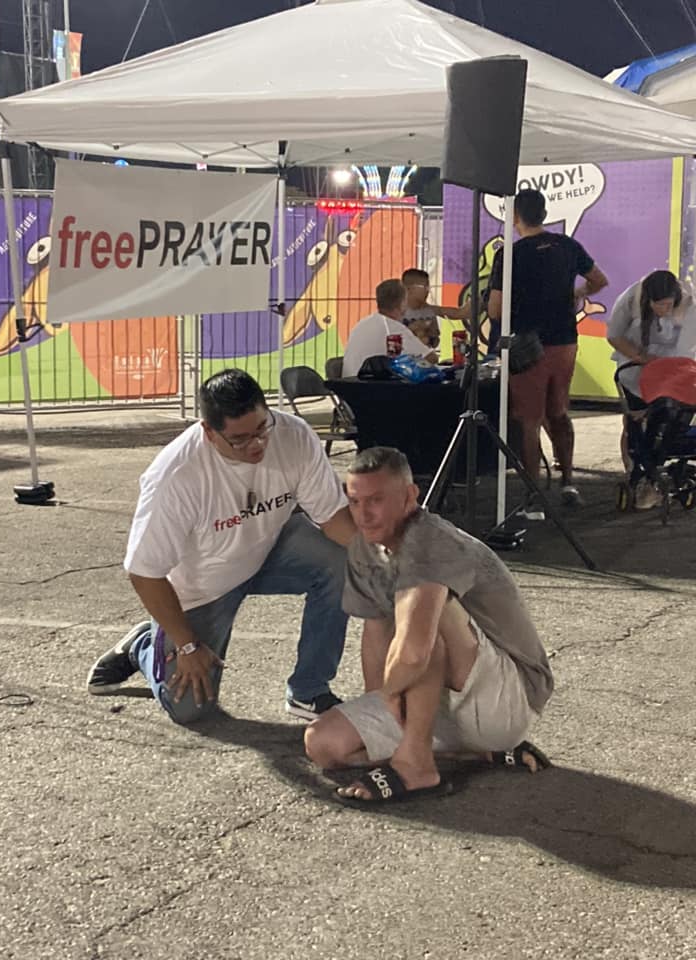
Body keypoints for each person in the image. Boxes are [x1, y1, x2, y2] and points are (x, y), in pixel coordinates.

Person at [86, 369, 356, 724]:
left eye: (262, 429)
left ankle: (309, 690)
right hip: (203, 586)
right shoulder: (175, 476)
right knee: (190, 708)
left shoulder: (294, 435)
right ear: (209, 432)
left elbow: (334, 518)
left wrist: (386, 559)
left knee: (343, 560)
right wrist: (187, 645)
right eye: (239, 440)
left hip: (270, 544)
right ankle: (143, 646)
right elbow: (144, 572)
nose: (257, 445)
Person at [304, 447, 553, 806]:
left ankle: (415, 766)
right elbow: (375, 632)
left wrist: (392, 693)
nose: (364, 514)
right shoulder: (365, 547)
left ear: (409, 496)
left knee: (422, 617)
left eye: (376, 500)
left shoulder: (431, 541)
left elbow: (415, 650)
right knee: (323, 744)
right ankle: (468, 752)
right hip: (441, 698)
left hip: (507, 699)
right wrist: (381, 704)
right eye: (355, 502)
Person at [488, 189, 608, 519]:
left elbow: (495, 309)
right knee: (559, 411)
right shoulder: (568, 246)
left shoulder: (510, 254)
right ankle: (568, 482)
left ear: (515, 216)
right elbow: (599, 280)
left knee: (529, 420)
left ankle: (533, 497)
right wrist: (577, 293)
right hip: (565, 340)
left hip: (527, 344)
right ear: (544, 213)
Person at [607, 269, 696, 508]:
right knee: (635, 424)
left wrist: (665, 371)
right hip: (635, 367)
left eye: (667, 305)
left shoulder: (690, 305)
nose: (663, 310)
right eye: (658, 305)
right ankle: (636, 471)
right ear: (648, 299)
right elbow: (614, 335)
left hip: (673, 373)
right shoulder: (630, 299)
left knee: (670, 416)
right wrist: (642, 358)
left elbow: (686, 353)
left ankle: (654, 473)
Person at [342, 278, 438, 378]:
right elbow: (431, 358)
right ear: (402, 303)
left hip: (348, 385)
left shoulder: (361, 325)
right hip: (374, 386)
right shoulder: (394, 329)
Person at [401, 267, 471, 350]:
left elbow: (459, 313)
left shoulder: (429, 311)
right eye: (424, 287)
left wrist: (430, 336)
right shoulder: (396, 312)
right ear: (409, 289)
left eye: (428, 287)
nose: (428, 291)